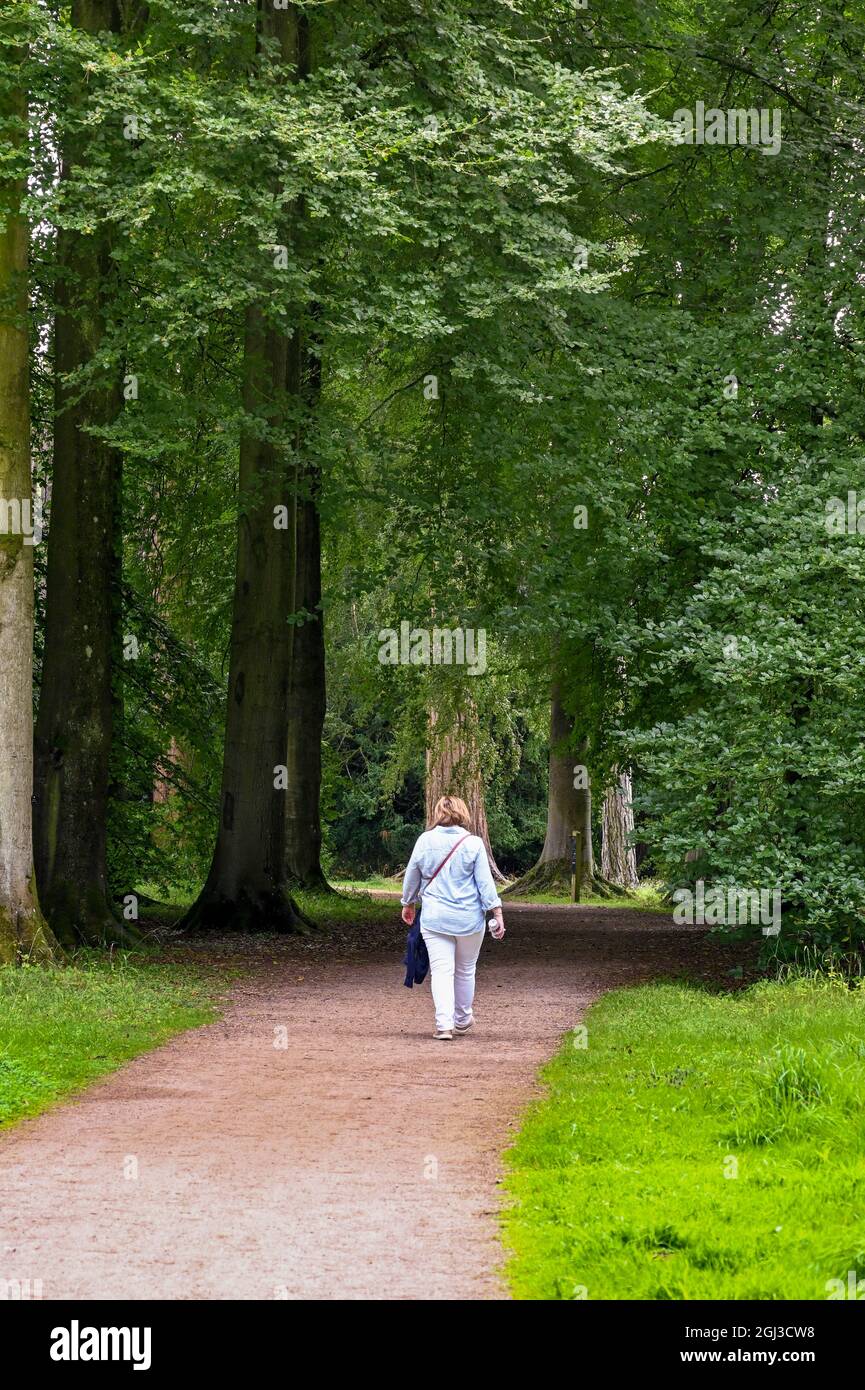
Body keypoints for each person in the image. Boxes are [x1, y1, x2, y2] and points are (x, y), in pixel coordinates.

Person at [400, 795, 506, 1040]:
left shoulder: (425, 840)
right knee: (466, 969)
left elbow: (412, 875)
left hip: (435, 918)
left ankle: (443, 1025)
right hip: (469, 919)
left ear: (438, 813)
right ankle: (462, 1019)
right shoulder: (473, 843)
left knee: (441, 971)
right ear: (463, 813)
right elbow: (484, 883)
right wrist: (497, 912)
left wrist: (408, 903)